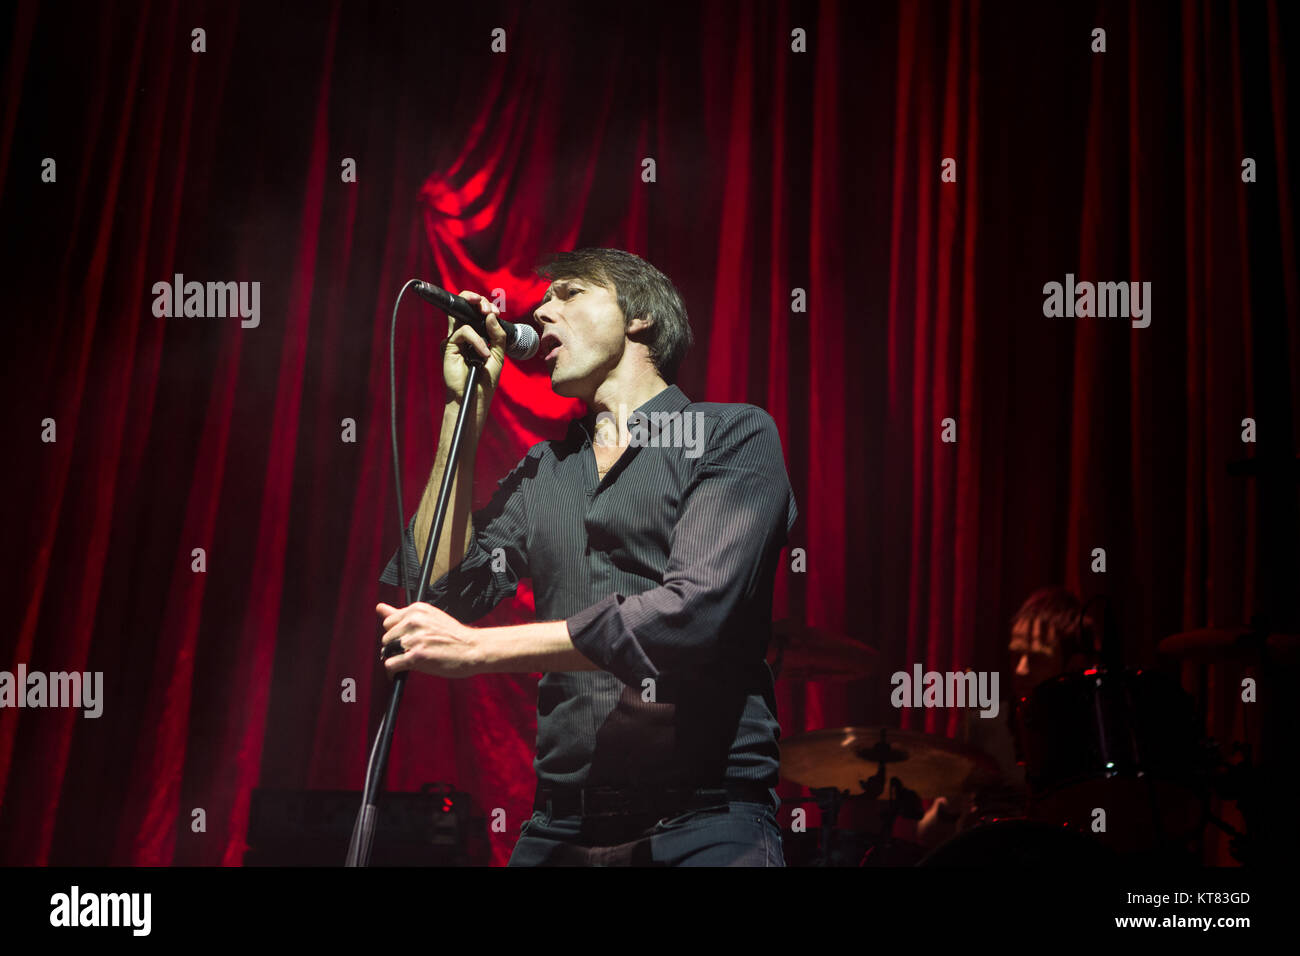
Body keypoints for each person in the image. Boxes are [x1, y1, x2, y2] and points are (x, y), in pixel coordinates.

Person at [375, 248, 798, 866]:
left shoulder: (731, 434)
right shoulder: (545, 471)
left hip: (703, 825)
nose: (540, 311)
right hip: (561, 827)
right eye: (543, 300)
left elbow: (692, 613)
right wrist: (461, 413)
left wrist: (478, 650)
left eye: (568, 294)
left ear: (640, 318)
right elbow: (435, 596)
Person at [916, 587, 1098, 846]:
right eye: (1015, 655)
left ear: (1074, 664)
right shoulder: (983, 723)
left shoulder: (1094, 735)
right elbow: (926, 838)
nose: (1021, 670)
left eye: (1036, 659)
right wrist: (948, 807)